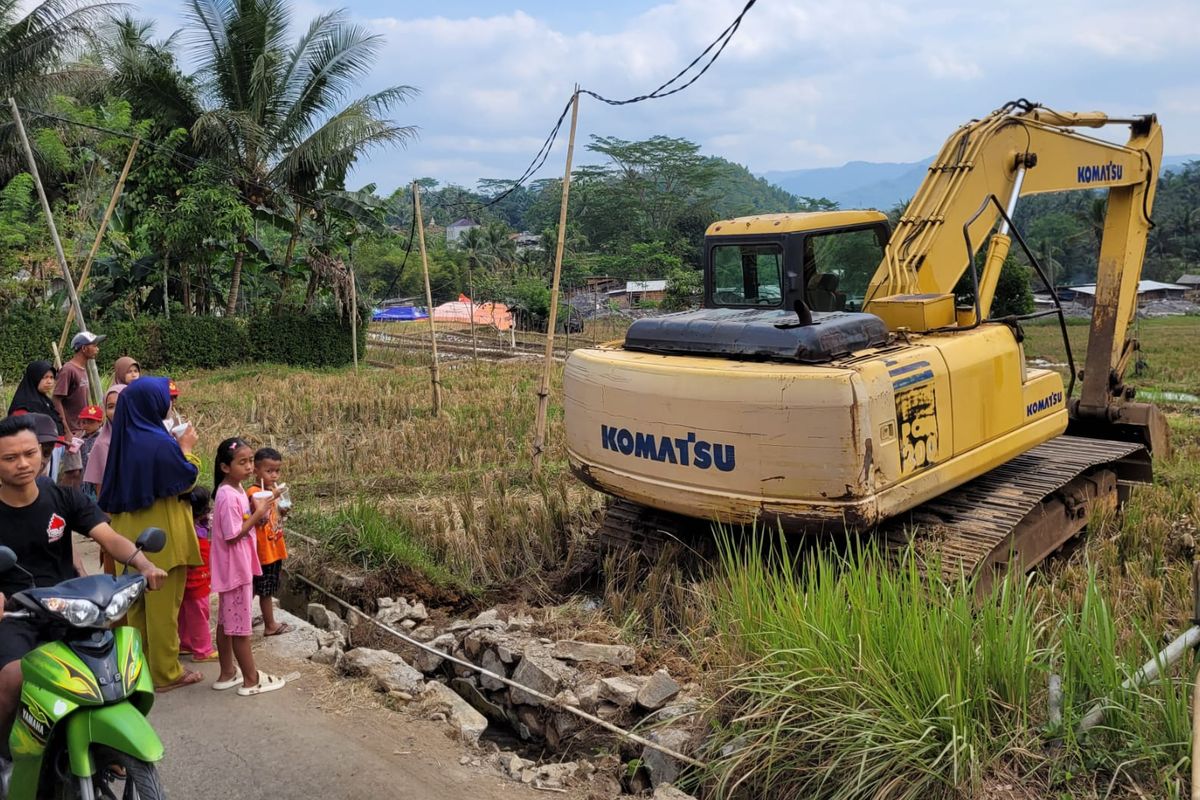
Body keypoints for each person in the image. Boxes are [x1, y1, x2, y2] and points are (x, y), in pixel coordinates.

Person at [0, 414, 166, 751]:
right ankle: (3, 753)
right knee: (14, 677)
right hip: (16, 612)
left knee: (110, 670)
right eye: (10, 458)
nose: (23, 464)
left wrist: (144, 564)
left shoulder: (64, 497)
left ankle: (105, 744)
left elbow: (109, 538)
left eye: (30, 453)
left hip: (69, 607)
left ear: (42, 453)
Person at [99, 377, 203, 692]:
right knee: (163, 611)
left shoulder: (123, 440)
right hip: (163, 538)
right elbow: (185, 480)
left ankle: (139, 668)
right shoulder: (159, 442)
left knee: (137, 610)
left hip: (127, 539)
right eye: (165, 400)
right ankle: (166, 673)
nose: (169, 405)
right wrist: (186, 449)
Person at [211, 438, 285, 696]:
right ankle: (251, 680)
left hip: (233, 566)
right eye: (242, 462)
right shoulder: (228, 495)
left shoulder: (235, 489)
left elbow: (242, 522)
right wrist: (259, 512)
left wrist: (256, 515)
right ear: (225, 467)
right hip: (237, 568)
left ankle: (227, 672)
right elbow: (233, 534)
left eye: (251, 461)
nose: (249, 467)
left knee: (226, 622)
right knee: (240, 627)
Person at [54, 332, 105, 488]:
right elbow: (56, 399)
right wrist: (67, 430)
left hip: (82, 430)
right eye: (94, 345)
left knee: (81, 471)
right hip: (72, 431)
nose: (97, 349)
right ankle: (63, 500)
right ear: (83, 348)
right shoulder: (68, 370)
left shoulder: (82, 369)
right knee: (72, 473)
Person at [249, 447, 290, 637]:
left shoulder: (271, 491)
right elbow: (260, 517)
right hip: (263, 550)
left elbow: (275, 514)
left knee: (257, 587)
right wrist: (273, 496)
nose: (274, 475)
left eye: (277, 471)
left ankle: (244, 616)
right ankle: (270, 625)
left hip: (274, 546)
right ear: (256, 470)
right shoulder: (254, 492)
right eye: (269, 471)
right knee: (265, 590)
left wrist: (282, 509)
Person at [7, 362, 65, 479]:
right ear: (34, 378)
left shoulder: (45, 401)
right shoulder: (24, 404)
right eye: (45, 377)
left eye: (51, 377)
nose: (49, 381)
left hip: (52, 451)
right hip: (38, 455)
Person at [178, 487, 216, 663]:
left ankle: (186, 644)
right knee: (200, 614)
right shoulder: (197, 530)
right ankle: (203, 650)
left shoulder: (185, 527)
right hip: (197, 581)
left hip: (186, 581)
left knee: (186, 614)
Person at [76, 404, 104, 489]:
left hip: (98, 480)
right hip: (83, 479)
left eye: (91, 422)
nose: (86, 425)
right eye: (84, 422)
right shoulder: (80, 438)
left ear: (100, 422)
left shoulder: (102, 439)